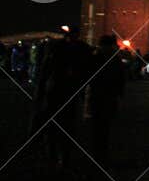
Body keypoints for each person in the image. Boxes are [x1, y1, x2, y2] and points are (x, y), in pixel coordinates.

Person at [31, 26, 93, 169]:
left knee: (57, 124)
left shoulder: (57, 47)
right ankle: (60, 155)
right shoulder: (80, 48)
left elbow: (45, 70)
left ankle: (56, 155)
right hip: (64, 91)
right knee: (64, 125)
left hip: (58, 91)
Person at [84, 35, 126, 161]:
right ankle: (102, 152)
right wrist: (120, 94)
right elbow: (121, 79)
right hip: (108, 97)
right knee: (104, 126)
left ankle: (97, 152)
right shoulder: (115, 59)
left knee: (98, 126)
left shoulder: (95, 57)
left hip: (98, 96)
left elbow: (88, 76)